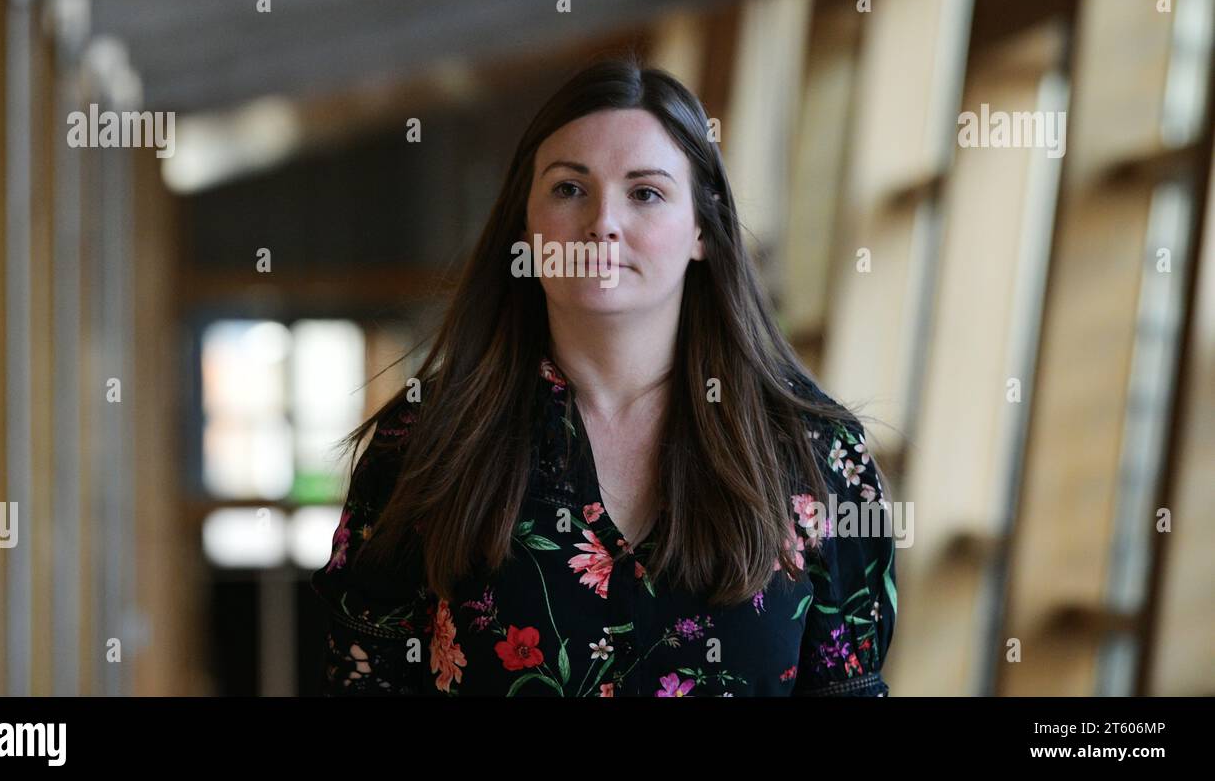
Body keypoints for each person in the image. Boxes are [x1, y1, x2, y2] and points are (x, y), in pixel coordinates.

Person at [311, 54, 897, 696]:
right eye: (569, 189)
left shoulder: (816, 455)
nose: (602, 223)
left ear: (703, 228)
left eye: (645, 193)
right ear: (525, 226)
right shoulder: (424, 443)